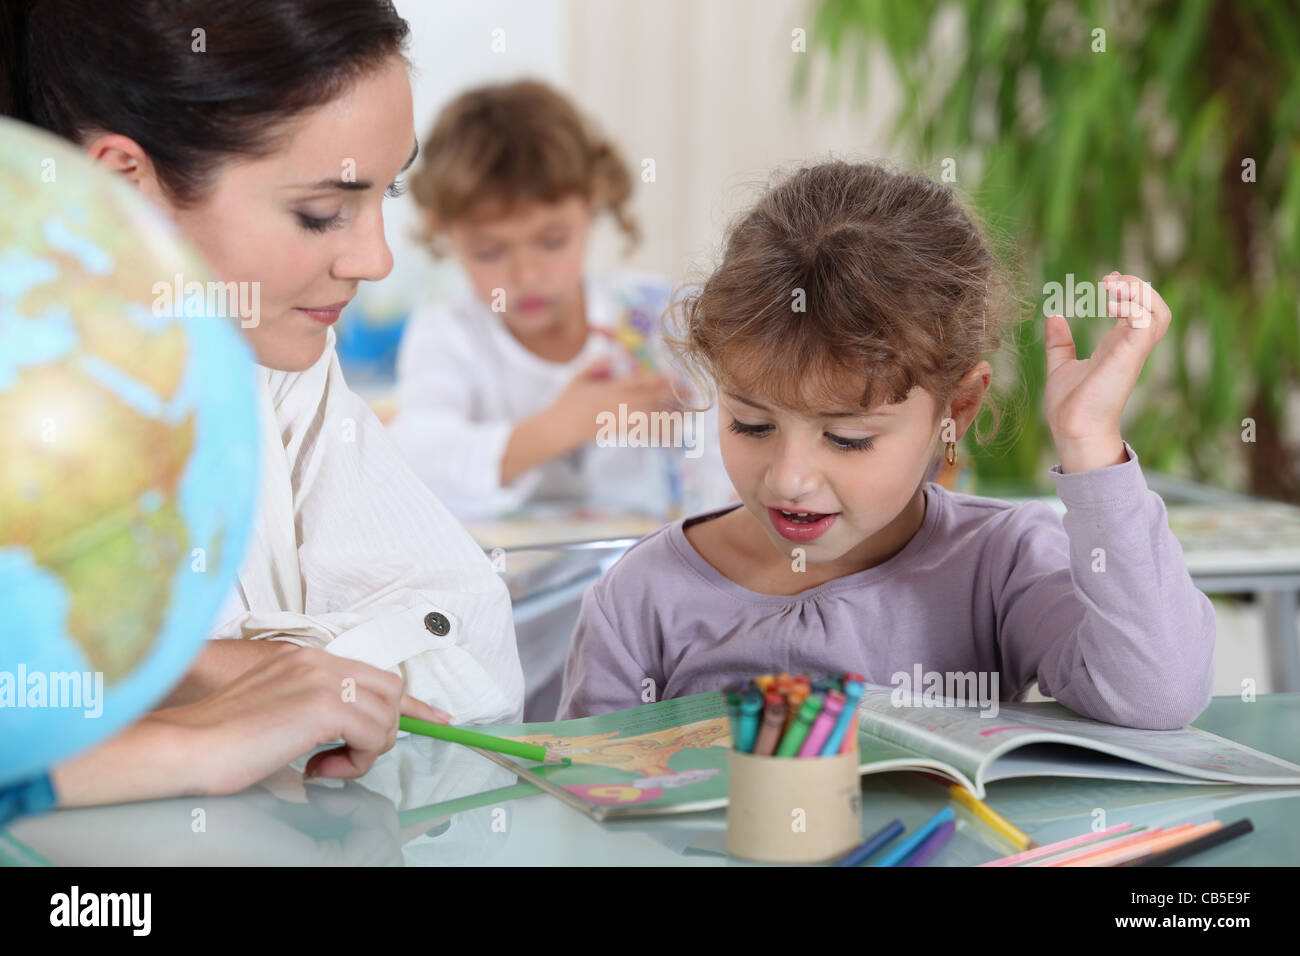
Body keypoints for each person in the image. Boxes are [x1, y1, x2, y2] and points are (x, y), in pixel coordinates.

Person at [0, 0, 523, 814]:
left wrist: (204, 675)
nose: (375, 258)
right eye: (321, 212)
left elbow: (473, 651)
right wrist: (191, 694)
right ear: (121, 184)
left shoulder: (274, 351)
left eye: (392, 190)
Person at [557, 160, 1216, 731]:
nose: (788, 479)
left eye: (847, 439)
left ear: (956, 408)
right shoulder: (641, 598)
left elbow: (1157, 693)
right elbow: (585, 813)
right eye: (752, 425)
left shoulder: (1001, 561)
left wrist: (1090, 443)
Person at [389, 79, 733, 520]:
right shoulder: (448, 336)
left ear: (592, 205)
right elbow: (414, 461)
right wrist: (562, 425)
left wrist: (693, 424)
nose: (527, 275)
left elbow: (728, 452)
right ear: (443, 230)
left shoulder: (651, 314)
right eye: (490, 251)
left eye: (552, 241)